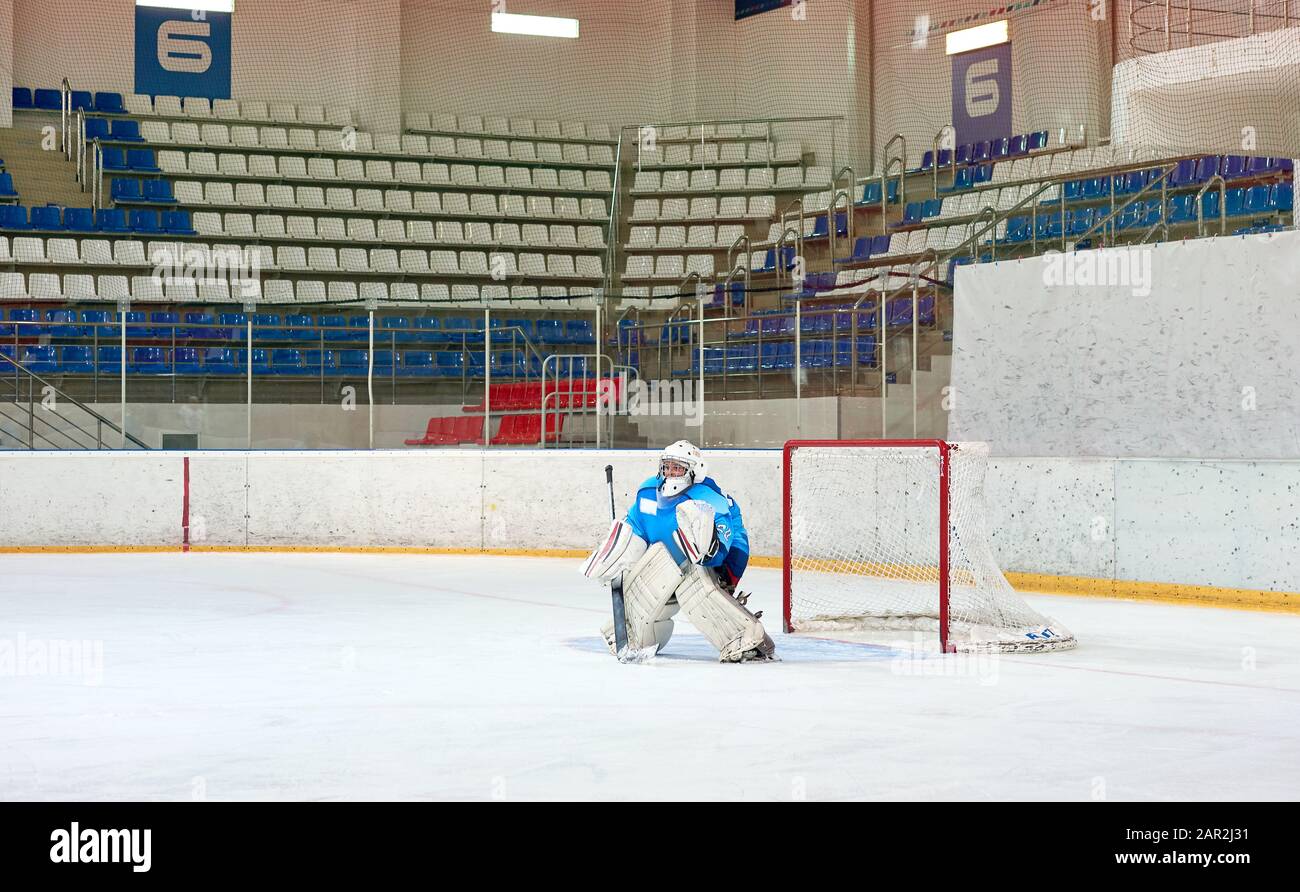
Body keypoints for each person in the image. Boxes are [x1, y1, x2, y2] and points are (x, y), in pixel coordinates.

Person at [581, 440, 776, 662]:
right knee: (645, 580)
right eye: (667, 466)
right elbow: (635, 526)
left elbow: (724, 547)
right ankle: (632, 635)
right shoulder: (648, 492)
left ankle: (748, 639)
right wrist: (617, 554)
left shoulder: (709, 497)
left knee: (692, 586)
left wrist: (710, 553)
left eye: (678, 467)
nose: (670, 472)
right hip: (670, 559)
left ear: (695, 471)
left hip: (718, 561)